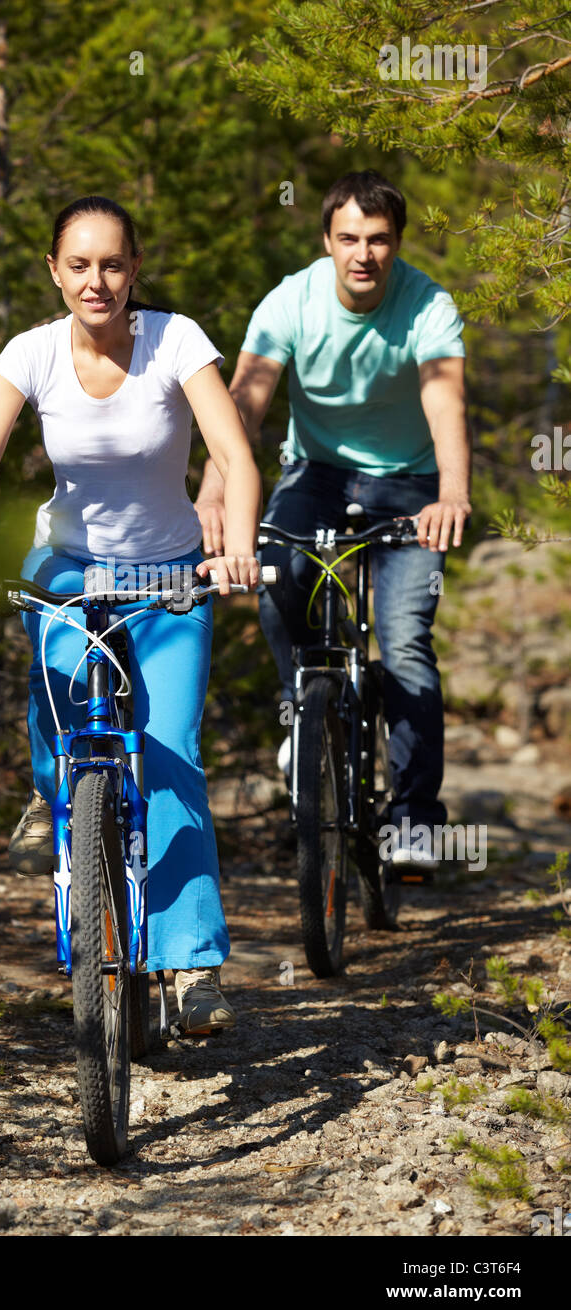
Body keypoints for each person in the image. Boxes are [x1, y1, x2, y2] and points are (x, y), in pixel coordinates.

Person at [0, 195, 262, 1033]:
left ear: (135, 269)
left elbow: (234, 454)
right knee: (64, 729)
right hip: (70, 573)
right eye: (79, 265)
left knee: (171, 749)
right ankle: (54, 798)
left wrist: (240, 546)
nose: (96, 280)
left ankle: (190, 967)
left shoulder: (175, 342)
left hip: (167, 579)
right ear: (54, 271)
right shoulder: (31, 353)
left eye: (112, 263)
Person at [194, 170, 471, 868]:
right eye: (349, 237)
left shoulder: (427, 305)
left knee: (405, 645)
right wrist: (212, 497)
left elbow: (445, 402)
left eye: (378, 240)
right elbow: (245, 406)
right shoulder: (292, 300)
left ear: (397, 243)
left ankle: (413, 820)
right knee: (274, 571)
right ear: (327, 240)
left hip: (412, 484)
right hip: (315, 474)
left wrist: (453, 493)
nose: (363, 254)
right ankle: (308, 712)